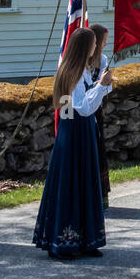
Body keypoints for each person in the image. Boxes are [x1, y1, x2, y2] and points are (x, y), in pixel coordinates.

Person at [33, 27, 111, 259]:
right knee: (70, 183)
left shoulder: (83, 71)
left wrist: (102, 85)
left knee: (84, 181)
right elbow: (82, 107)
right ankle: (64, 241)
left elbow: (89, 105)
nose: (97, 47)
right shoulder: (72, 73)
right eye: (94, 43)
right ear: (85, 47)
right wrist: (100, 86)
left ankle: (85, 239)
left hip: (82, 130)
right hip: (73, 131)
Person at [88, 24, 112, 208]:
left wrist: (102, 85)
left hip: (96, 108)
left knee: (98, 147)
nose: (104, 44)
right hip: (82, 108)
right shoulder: (82, 63)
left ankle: (101, 193)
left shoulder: (102, 60)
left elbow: (107, 87)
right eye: (102, 41)